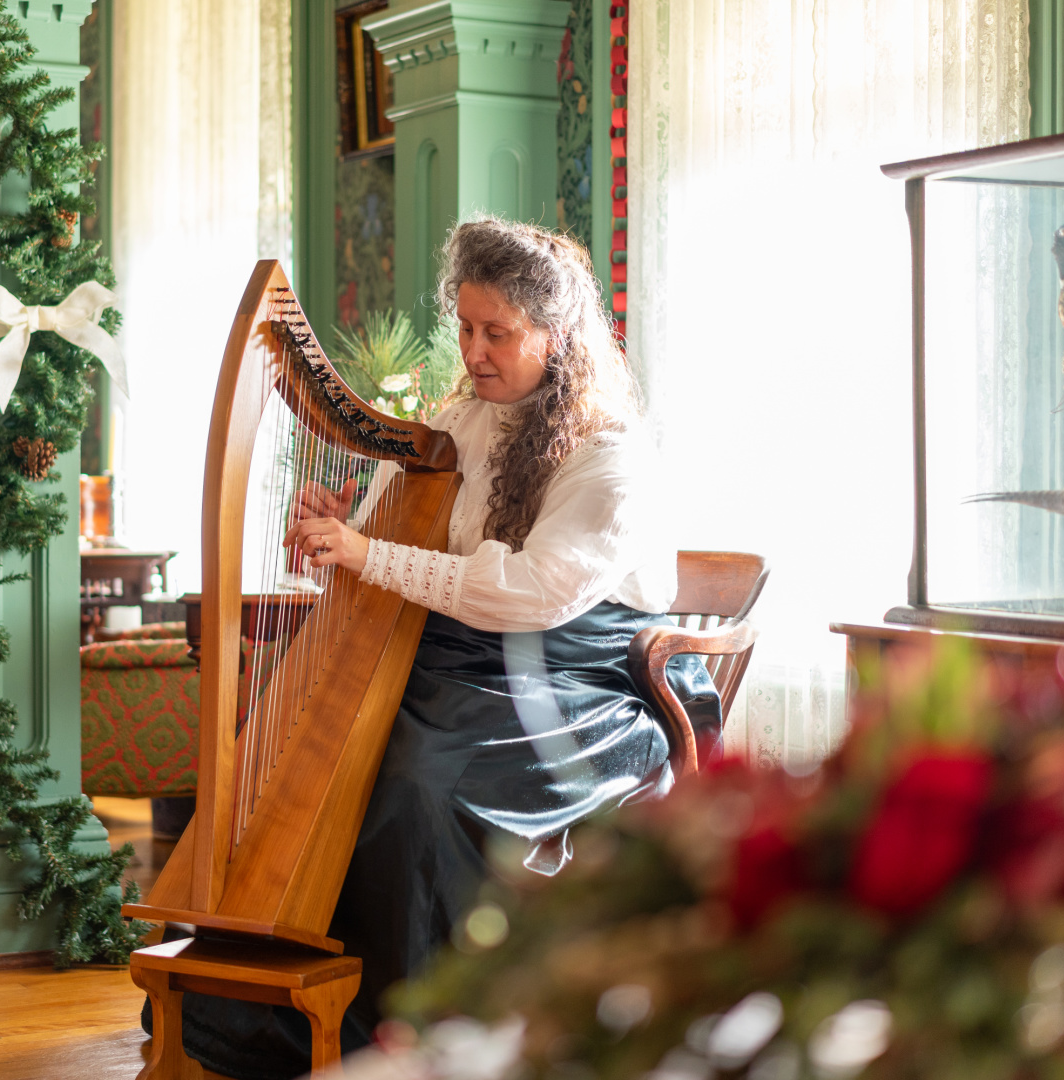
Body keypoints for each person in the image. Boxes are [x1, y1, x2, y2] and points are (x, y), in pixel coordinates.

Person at [151, 219, 721, 1079]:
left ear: (555, 335)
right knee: (332, 753)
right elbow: (389, 549)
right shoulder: (457, 422)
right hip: (457, 658)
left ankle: (425, 1031)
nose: (474, 350)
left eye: (499, 332)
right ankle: (278, 1005)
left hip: (579, 680)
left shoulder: (610, 457)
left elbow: (533, 593)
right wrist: (338, 530)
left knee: (421, 777)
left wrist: (367, 552)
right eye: (465, 326)